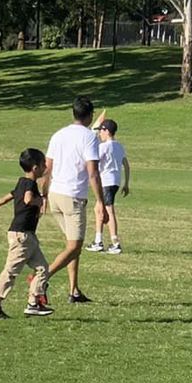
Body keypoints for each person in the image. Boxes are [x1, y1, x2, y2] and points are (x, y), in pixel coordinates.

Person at [0, 148, 53, 320]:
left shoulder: (21, 183)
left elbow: (4, 199)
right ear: (35, 167)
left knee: (42, 268)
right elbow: (28, 199)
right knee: (10, 272)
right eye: (44, 163)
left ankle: (34, 303)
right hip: (22, 236)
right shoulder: (29, 184)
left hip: (27, 236)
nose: (46, 166)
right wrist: (42, 201)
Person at [41, 97, 104, 304]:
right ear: (90, 115)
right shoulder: (89, 137)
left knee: (71, 245)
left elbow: (47, 168)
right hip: (73, 196)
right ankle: (41, 279)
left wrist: (43, 194)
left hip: (55, 195)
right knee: (75, 247)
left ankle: (74, 290)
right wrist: (100, 202)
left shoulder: (58, 134)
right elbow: (93, 172)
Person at [89, 119, 130, 254]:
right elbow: (126, 165)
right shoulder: (119, 146)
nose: (100, 133)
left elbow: (94, 161)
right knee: (98, 209)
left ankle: (115, 243)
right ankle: (98, 240)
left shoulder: (103, 147)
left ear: (106, 131)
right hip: (115, 182)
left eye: (101, 130)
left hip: (106, 182)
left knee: (108, 211)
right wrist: (126, 184)